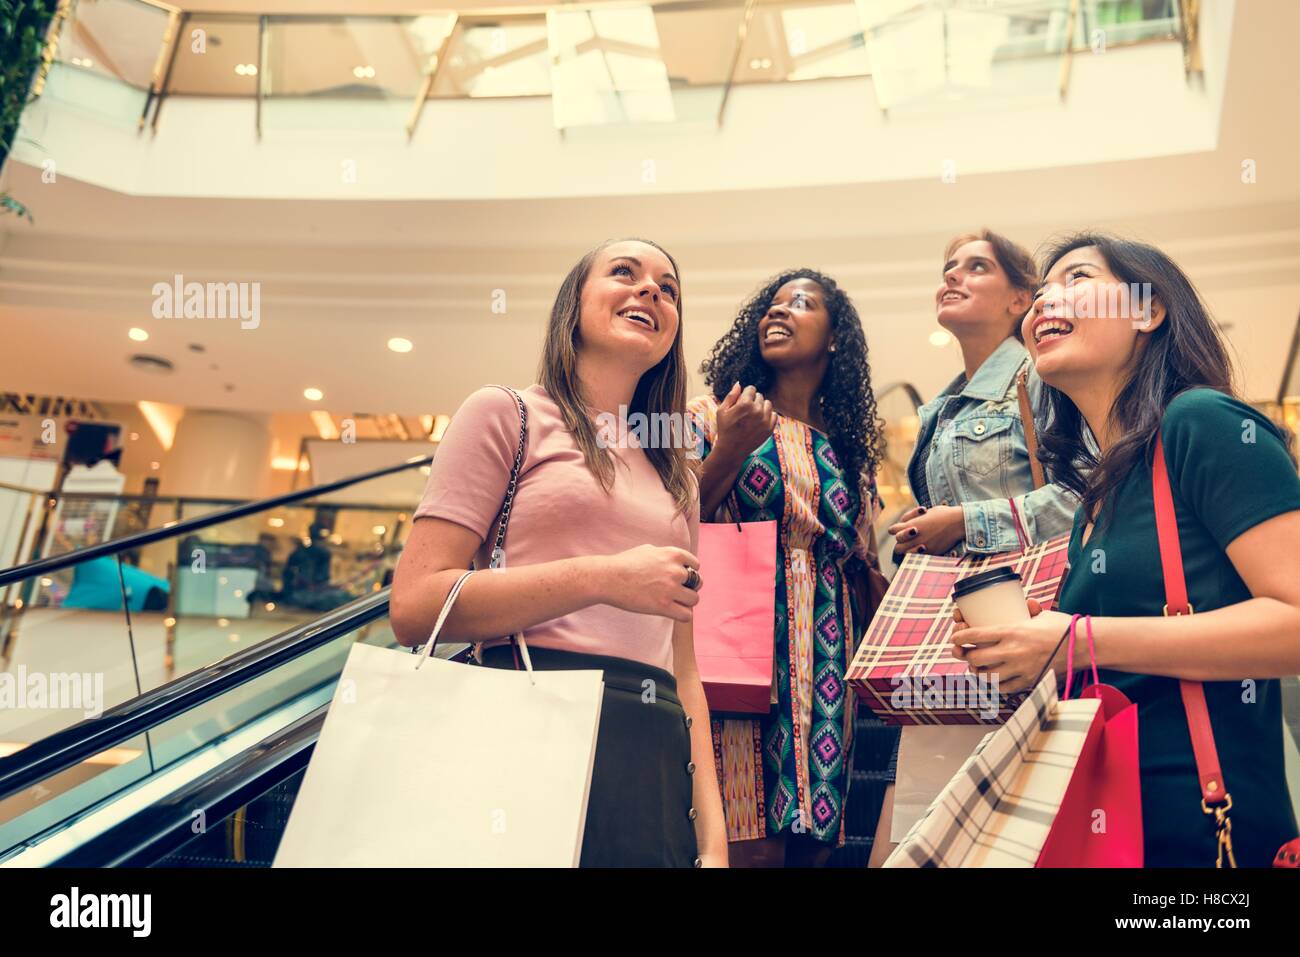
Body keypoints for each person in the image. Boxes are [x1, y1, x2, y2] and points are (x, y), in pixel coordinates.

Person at [953, 232, 1300, 867]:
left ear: (1148, 310)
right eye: (1041, 294)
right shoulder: (1097, 499)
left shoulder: (1204, 424)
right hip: (1110, 839)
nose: (1043, 302)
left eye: (1078, 278)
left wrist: (1080, 639)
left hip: (1208, 838)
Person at [390, 238, 727, 868]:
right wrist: (602, 577)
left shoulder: (676, 470)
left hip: (650, 750)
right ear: (572, 305)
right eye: (624, 273)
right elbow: (413, 604)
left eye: (668, 286)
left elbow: (685, 669)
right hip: (526, 719)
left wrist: (713, 839)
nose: (650, 289)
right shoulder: (505, 415)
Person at [873, 229, 1084, 866]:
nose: (952, 276)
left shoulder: (1043, 376)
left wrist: (966, 522)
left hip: (1032, 629)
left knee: (1005, 829)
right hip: (958, 640)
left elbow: (1087, 501)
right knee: (926, 824)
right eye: (947, 267)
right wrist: (925, 530)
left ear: (1022, 297)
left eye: (977, 267)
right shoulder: (940, 408)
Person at [689, 268, 886, 867]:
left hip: (830, 650)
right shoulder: (711, 416)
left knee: (814, 846)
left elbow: (861, 557)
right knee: (747, 836)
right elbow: (675, 521)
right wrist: (731, 446)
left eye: (799, 303)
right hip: (745, 637)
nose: (777, 312)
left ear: (834, 339)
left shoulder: (851, 453)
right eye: (770, 305)